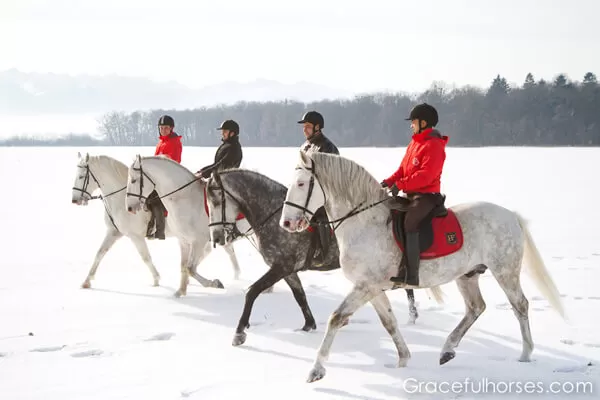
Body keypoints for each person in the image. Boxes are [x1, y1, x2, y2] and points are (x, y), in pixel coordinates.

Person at [380, 103, 448, 285]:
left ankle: (411, 273)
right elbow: (403, 169)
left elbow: (426, 176)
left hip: (427, 196)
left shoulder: (434, 145)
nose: (411, 125)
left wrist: (400, 184)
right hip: (411, 194)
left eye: (414, 122)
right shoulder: (415, 143)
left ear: (423, 122)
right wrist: (389, 181)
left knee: (411, 221)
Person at [297, 111, 339, 265]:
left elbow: (330, 176)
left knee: (320, 215)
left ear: (317, 127)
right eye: (304, 126)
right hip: (306, 192)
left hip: (325, 194)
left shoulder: (328, 147)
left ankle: (324, 252)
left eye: (307, 126)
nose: (304, 129)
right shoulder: (305, 146)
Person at [147, 114, 182, 240]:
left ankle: (159, 230)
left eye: (166, 128)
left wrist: (164, 160)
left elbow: (175, 161)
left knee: (156, 199)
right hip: (158, 177)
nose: (163, 130)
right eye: (161, 128)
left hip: (169, 178)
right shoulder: (161, 142)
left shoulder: (175, 142)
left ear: (171, 128)